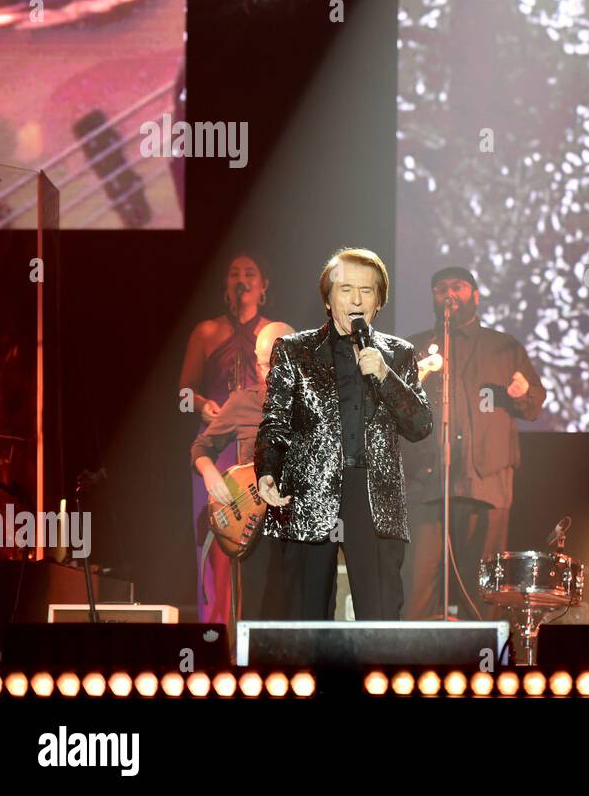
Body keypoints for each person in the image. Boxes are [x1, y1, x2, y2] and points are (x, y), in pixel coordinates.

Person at [255, 248, 432, 620]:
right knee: (304, 615)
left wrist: (385, 376)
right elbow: (275, 420)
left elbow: (420, 425)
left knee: (380, 614)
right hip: (308, 492)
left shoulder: (397, 354)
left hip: (373, 495)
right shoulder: (294, 350)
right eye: (346, 288)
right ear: (328, 297)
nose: (356, 299)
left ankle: (377, 676)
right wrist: (267, 469)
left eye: (367, 291)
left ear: (379, 301)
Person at [402, 266, 547, 620]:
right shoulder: (417, 347)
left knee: (482, 584)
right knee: (419, 581)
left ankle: (483, 665)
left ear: (475, 295)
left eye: (458, 287)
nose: (449, 294)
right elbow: (396, 410)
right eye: (440, 289)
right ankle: (414, 662)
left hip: (487, 476)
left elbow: (533, 405)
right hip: (428, 476)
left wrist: (522, 393)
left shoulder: (503, 346)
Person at [178, 252, 275, 623]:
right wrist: (202, 405)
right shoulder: (206, 331)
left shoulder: (275, 334)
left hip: (260, 443)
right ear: (226, 285)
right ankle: (217, 628)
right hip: (217, 444)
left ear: (263, 285)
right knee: (219, 538)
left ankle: (256, 627)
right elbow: (182, 394)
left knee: (258, 537)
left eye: (250, 272)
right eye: (235, 272)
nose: (243, 278)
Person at [190, 321, 294, 621]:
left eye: (275, 363)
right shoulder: (243, 402)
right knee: (260, 613)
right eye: (262, 364)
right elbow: (201, 447)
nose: (267, 372)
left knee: (301, 611)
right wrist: (209, 472)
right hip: (257, 528)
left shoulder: (315, 403)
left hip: (300, 524)